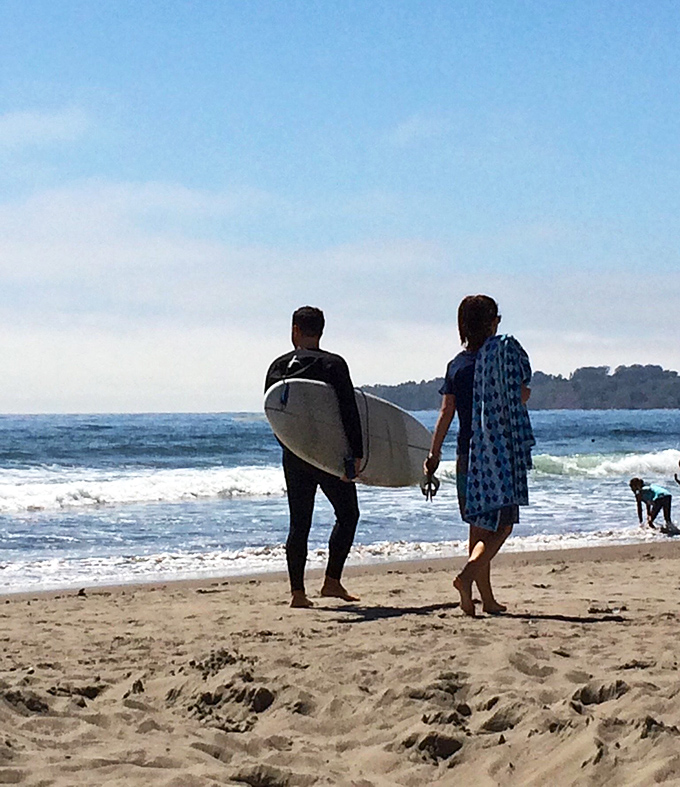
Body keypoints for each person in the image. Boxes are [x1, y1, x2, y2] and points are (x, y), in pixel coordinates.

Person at [424, 295, 534, 617]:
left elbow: (446, 412)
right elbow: (521, 396)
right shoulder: (499, 359)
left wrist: (433, 454)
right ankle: (467, 575)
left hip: (465, 455)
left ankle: (483, 599)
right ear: (491, 323)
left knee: (477, 527)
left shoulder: (457, 365)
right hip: (496, 454)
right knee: (503, 525)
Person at [265, 306, 363, 608]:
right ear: (321, 331)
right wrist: (357, 454)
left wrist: (289, 447)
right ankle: (331, 581)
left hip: (295, 455)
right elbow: (348, 411)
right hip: (330, 455)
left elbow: (273, 414)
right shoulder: (334, 364)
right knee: (348, 515)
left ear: (295, 330)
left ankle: (298, 593)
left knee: (299, 523)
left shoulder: (278, 366)